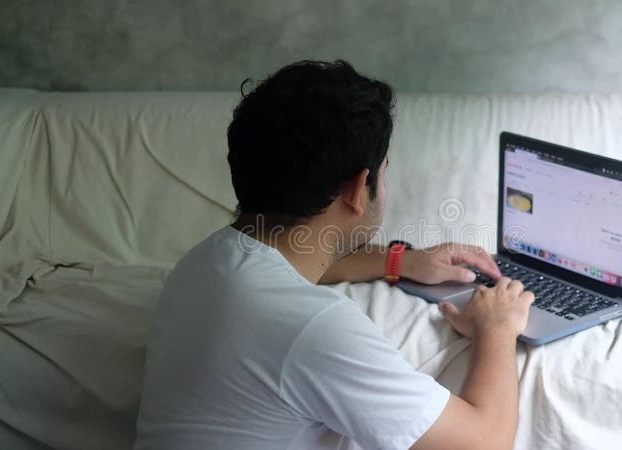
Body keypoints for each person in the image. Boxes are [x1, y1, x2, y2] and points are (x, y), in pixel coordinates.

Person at [134, 60, 535, 450]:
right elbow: (484, 442)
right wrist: (497, 328)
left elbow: (298, 268)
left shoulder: (205, 261)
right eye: (384, 170)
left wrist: (401, 261)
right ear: (358, 189)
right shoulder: (314, 329)